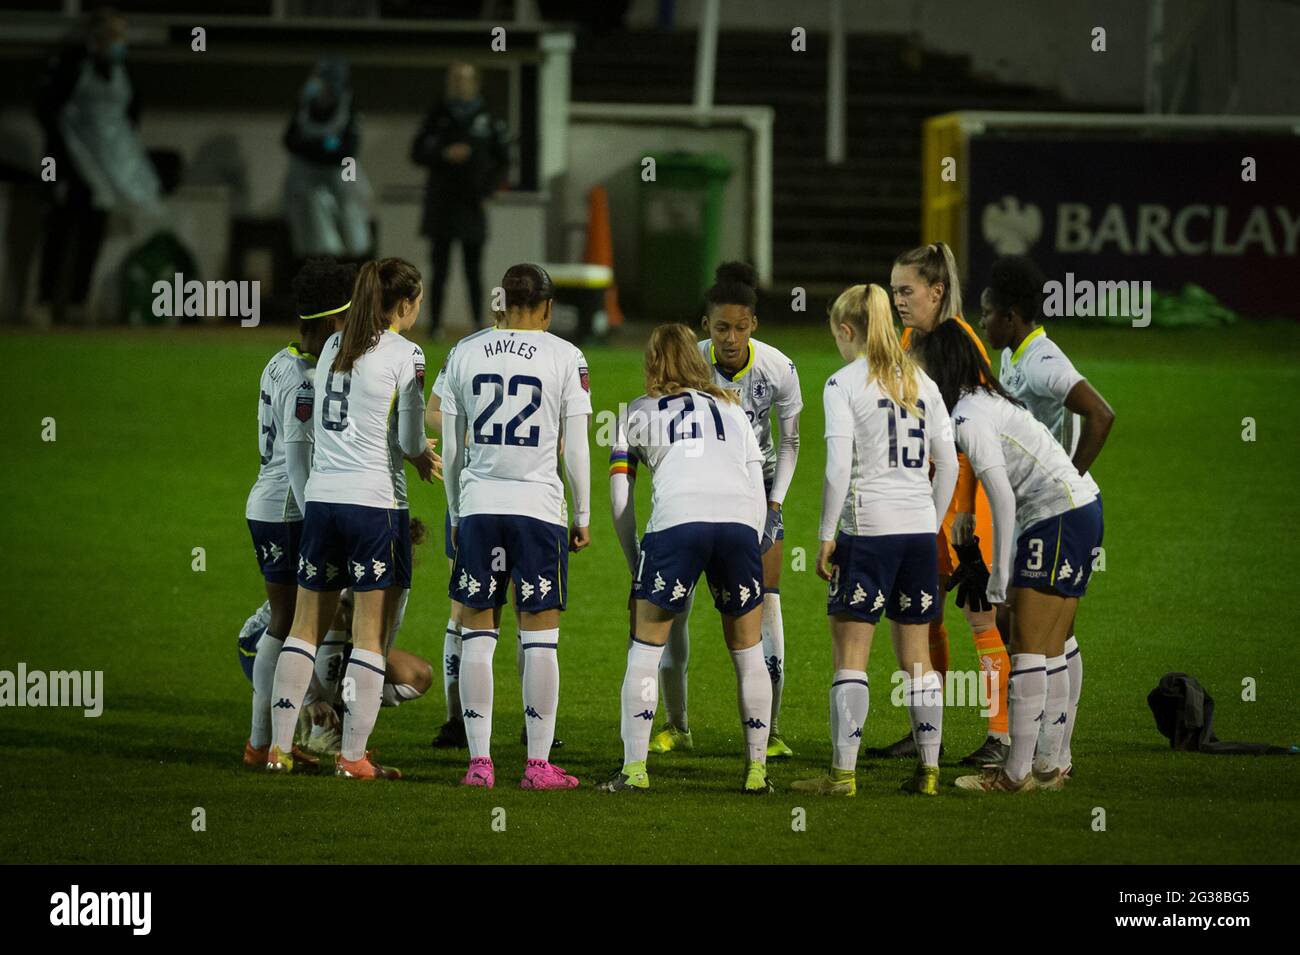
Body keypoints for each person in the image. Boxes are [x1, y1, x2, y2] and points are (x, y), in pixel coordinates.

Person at [265, 258, 437, 780]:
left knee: (302, 629)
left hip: (322, 499)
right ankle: (352, 757)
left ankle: (277, 749)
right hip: (374, 504)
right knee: (368, 636)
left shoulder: (335, 344)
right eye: (419, 300)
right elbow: (408, 439)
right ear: (404, 305)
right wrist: (420, 453)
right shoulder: (407, 353)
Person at [914, 322, 1103, 792]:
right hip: (1082, 508)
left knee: (1026, 646)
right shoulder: (984, 402)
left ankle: (1015, 774)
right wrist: (961, 516)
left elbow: (1002, 494)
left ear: (938, 369)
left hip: (1054, 515)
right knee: (1052, 647)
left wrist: (999, 580)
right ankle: (1051, 765)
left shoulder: (967, 416)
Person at [791, 285, 957, 797]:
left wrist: (825, 536)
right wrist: (929, 523)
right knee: (917, 657)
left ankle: (842, 775)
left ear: (846, 331)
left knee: (851, 655)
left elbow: (839, 466)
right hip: (915, 532)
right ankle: (928, 771)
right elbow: (948, 462)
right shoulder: (921, 380)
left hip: (867, 531)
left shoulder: (843, 384)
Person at [604, 324, 773, 794]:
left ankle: (634, 770)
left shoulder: (636, 412)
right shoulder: (734, 410)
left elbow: (621, 494)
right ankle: (757, 770)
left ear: (652, 363)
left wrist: (633, 554)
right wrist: (752, 542)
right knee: (748, 652)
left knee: (645, 648)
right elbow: (757, 483)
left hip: (678, 523)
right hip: (739, 526)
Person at [441, 264, 591, 790]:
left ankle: (479, 764)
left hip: (480, 505)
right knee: (540, 639)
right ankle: (536, 765)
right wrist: (583, 513)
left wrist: (457, 513)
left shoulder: (466, 350)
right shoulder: (565, 356)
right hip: (537, 510)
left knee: (478, 634)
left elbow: (453, 448)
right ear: (547, 308)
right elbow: (576, 447)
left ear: (502, 301)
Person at [647, 262, 803, 759]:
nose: (730, 338)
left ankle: (770, 730)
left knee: (768, 607)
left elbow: (792, 442)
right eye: (720, 328)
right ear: (705, 328)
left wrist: (774, 505)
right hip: (701, 484)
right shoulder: (691, 361)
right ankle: (678, 724)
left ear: (753, 323)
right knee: (676, 608)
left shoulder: (778, 368)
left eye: (739, 327)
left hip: (756, 487)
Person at [875, 241, 1011, 767]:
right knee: (921, 615)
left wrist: (967, 512)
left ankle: (1000, 738)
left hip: (965, 504)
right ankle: (923, 730)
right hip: (927, 499)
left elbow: (978, 440)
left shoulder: (959, 346)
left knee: (982, 620)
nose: (899, 301)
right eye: (893, 292)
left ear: (937, 291)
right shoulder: (915, 337)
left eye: (907, 291)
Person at [978, 255, 1115, 777]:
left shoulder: (1041, 360)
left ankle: (1041, 761)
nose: (984, 320)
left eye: (989, 313)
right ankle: (1055, 758)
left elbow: (1101, 413)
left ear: (1011, 315)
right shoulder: (1015, 355)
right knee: (1043, 629)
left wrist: (1072, 476)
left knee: (1032, 630)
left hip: (1056, 508)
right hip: (1040, 510)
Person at [426, 314, 567, 752]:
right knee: (472, 615)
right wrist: (478, 442)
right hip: (498, 496)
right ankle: (458, 722)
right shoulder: (471, 349)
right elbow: (437, 412)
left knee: (512, 618)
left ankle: (527, 728)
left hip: (481, 504)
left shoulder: (533, 352)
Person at [241, 257, 354, 771]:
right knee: (290, 624)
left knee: (285, 624)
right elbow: (297, 461)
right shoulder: (308, 380)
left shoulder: (278, 361)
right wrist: (320, 525)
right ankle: (267, 742)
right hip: (290, 509)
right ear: (333, 321)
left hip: (267, 504)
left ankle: (264, 742)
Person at [238, 521, 435, 759]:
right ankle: (319, 728)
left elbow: (381, 644)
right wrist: (312, 697)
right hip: (265, 646)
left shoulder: (398, 583)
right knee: (336, 615)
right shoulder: (349, 565)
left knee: (418, 675)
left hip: (329, 655)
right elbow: (321, 625)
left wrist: (364, 689)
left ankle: (330, 710)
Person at [33, 6, 161, 325]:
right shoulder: (71, 65)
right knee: (59, 232)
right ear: (96, 36)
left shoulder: (119, 72)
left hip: (105, 171)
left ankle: (77, 302)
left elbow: (130, 115)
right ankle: (44, 301)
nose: (121, 43)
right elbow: (48, 111)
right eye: (114, 36)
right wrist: (62, 160)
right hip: (69, 164)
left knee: (91, 234)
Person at [410, 62, 511, 337]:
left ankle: (479, 324)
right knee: (439, 269)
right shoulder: (437, 115)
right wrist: (444, 153)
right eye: (454, 80)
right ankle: (435, 326)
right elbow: (417, 151)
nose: (458, 85)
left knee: (473, 269)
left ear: (475, 83)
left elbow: (504, 159)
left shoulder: (488, 118)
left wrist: (487, 191)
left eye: (464, 80)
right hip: (441, 202)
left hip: (472, 203)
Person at [282, 58, 372, 263]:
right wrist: (325, 145)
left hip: (342, 172)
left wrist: (315, 146)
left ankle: (354, 270)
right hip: (310, 178)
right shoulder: (304, 105)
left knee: (351, 217)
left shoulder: (348, 105)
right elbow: (290, 140)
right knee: (314, 210)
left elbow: (348, 150)